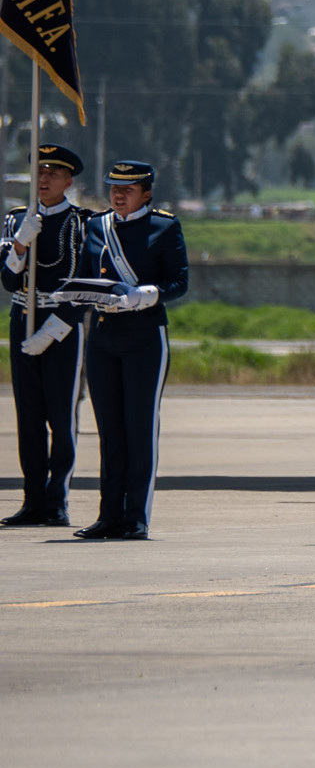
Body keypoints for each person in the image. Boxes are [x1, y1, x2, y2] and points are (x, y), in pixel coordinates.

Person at [75, 160, 188, 541]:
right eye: (114, 188)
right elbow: (81, 275)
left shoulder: (164, 226)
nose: (119, 195)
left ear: (147, 193)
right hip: (103, 336)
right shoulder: (95, 227)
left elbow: (179, 282)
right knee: (110, 430)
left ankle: (135, 516)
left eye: (128, 188)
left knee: (139, 428)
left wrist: (146, 295)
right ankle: (109, 515)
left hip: (144, 337)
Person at [5, 144, 92, 527]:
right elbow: (8, 279)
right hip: (23, 316)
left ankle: (57, 501)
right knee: (29, 416)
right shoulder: (14, 220)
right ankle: (33, 499)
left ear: (68, 181)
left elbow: (86, 283)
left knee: (61, 414)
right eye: (39, 173)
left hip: (61, 324)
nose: (43, 180)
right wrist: (21, 243)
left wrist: (54, 329)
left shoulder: (82, 223)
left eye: (53, 174)